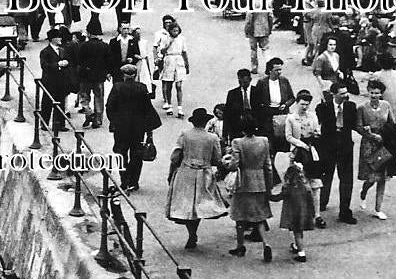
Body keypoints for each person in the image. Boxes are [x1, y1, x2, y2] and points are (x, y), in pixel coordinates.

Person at [165, 108, 228, 250]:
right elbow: (217, 159)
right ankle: (193, 233)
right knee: (199, 205)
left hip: (186, 172)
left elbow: (175, 156)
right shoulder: (212, 138)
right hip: (204, 173)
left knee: (187, 205)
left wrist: (171, 173)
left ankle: (192, 233)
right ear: (205, 122)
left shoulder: (185, 135)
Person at [226, 116, 273, 261]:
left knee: (240, 217)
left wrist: (226, 162)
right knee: (259, 216)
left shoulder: (238, 142)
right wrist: (268, 185)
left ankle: (240, 246)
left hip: (243, 183)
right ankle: (266, 244)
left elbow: (235, 165)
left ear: (242, 129)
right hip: (259, 182)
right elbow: (268, 166)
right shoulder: (264, 141)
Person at [106, 64, 160, 192]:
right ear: (135, 75)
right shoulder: (142, 88)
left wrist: (114, 121)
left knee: (121, 154)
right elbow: (148, 109)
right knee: (136, 155)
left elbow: (109, 106)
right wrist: (149, 130)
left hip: (121, 128)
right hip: (138, 128)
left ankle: (124, 181)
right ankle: (134, 181)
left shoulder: (117, 87)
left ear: (123, 75)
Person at [355, 79, 396, 220]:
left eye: (377, 93)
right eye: (372, 93)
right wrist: (370, 134)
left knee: (382, 178)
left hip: (384, 143)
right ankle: (363, 192)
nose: (374, 95)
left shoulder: (386, 105)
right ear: (368, 92)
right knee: (371, 177)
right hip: (369, 145)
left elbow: (392, 123)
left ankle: (378, 208)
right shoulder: (362, 108)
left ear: (381, 94)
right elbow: (358, 126)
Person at [316, 81, 358, 225]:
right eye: (342, 93)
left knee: (346, 180)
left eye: (346, 93)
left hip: (345, 147)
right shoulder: (323, 108)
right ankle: (321, 203)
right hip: (328, 147)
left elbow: (355, 125)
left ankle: (345, 211)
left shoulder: (351, 107)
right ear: (334, 94)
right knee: (326, 176)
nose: (345, 96)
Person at [284, 90, 326, 228]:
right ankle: (300, 215)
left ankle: (317, 215)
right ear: (297, 103)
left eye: (307, 104)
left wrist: (316, 134)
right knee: (299, 183)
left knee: (315, 184)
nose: (305, 107)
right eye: (302, 104)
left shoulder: (312, 116)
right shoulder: (291, 118)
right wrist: (301, 144)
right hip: (298, 152)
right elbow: (288, 137)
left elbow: (317, 131)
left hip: (311, 151)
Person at [271, 162, 316, 263]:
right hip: (304, 213)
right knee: (300, 232)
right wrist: (312, 213)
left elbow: (278, 197)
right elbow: (311, 201)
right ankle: (296, 246)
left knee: (297, 233)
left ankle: (301, 253)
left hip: (294, 214)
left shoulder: (288, 188)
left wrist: (268, 197)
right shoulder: (306, 188)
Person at [39, 28, 71, 132]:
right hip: (50, 81)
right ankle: (44, 123)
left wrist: (65, 64)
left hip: (61, 80)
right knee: (47, 102)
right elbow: (44, 66)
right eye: (58, 37)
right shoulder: (45, 52)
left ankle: (59, 124)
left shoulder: (62, 50)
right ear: (52, 39)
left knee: (60, 102)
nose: (60, 39)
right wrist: (58, 64)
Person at [158, 22, 189, 119]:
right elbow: (162, 51)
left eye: (177, 30)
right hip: (169, 60)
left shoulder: (182, 39)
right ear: (170, 31)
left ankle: (180, 108)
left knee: (179, 85)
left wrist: (187, 64)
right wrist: (169, 43)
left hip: (179, 60)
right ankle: (169, 105)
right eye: (174, 30)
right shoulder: (165, 38)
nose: (176, 32)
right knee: (169, 85)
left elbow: (184, 52)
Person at [222, 69, 254, 146]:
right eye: (240, 82)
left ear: (250, 80)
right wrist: (224, 135)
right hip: (237, 130)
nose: (242, 84)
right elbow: (227, 115)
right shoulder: (232, 94)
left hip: (253, 130)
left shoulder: (257, 91)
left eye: (245, 82)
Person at [244, 9, 273, 75]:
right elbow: (270, 18)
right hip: (265, 29)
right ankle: (269, 67)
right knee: (266, 49)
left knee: (253, 50)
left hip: (253, 30)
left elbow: (248, 20)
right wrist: (270, 28)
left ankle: (254, 68)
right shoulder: (267, 2)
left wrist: (246, 31)